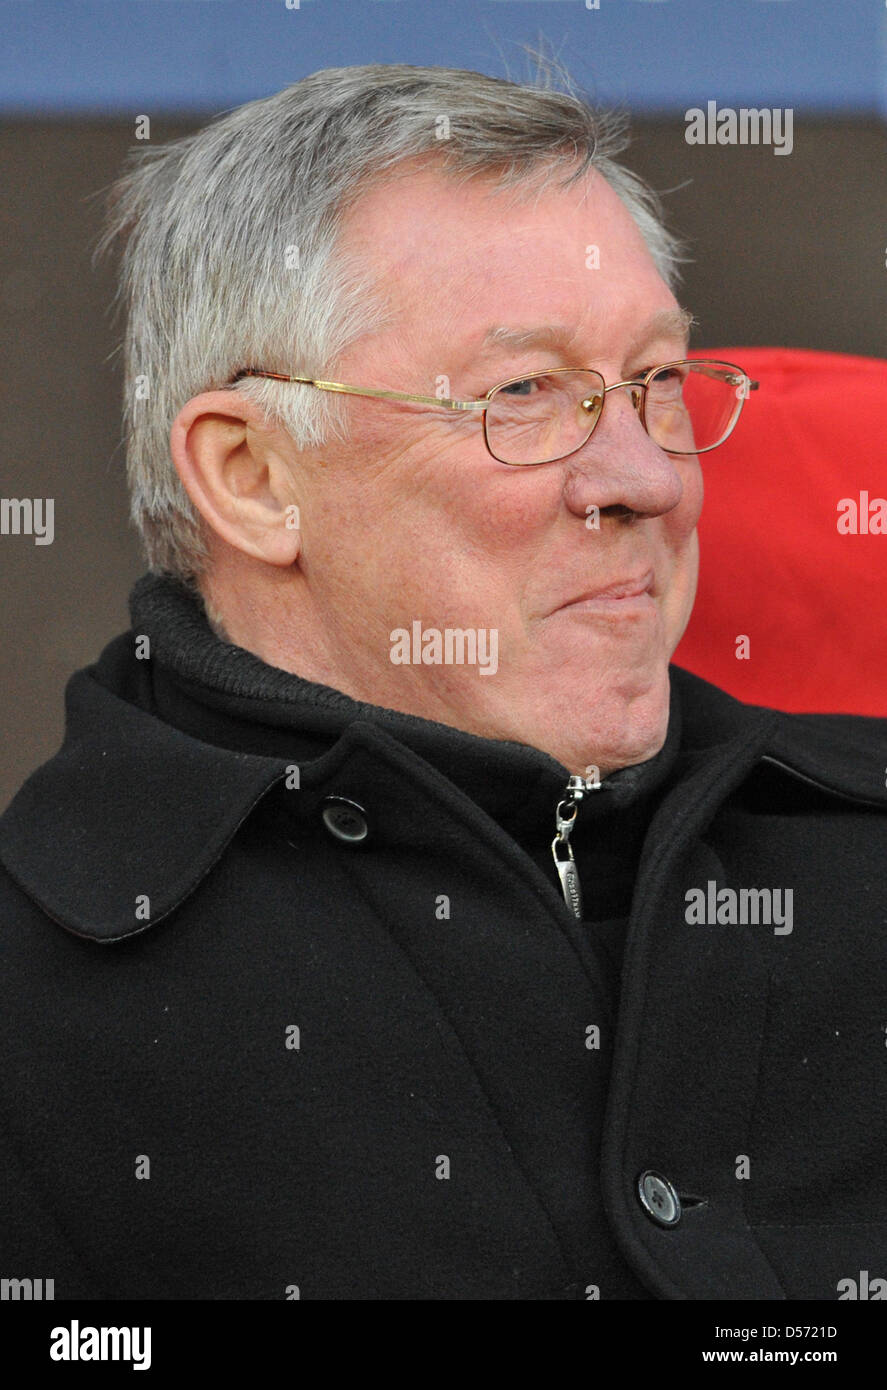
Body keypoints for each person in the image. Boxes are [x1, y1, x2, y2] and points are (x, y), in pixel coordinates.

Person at [1, 63, 885, 1302]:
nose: (647, 478)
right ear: (254, 475)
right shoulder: (35, 1016)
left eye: (653, 383)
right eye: (523, 392)